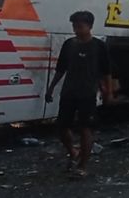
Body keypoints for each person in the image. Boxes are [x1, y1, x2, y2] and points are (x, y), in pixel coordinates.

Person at [45, 11, 112, 177]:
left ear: (89, 26)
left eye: (80, 26)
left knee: (85, 129)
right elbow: (61, 70)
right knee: (62, 127)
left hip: (87, 93)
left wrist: (108, 93)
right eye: (74, 26)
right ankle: (73, 152)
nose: (76, 30)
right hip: (69, 92)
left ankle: (83, 166)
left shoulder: (98, 46)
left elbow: (107, 72)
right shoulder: (69, 44)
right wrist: (51, 87)